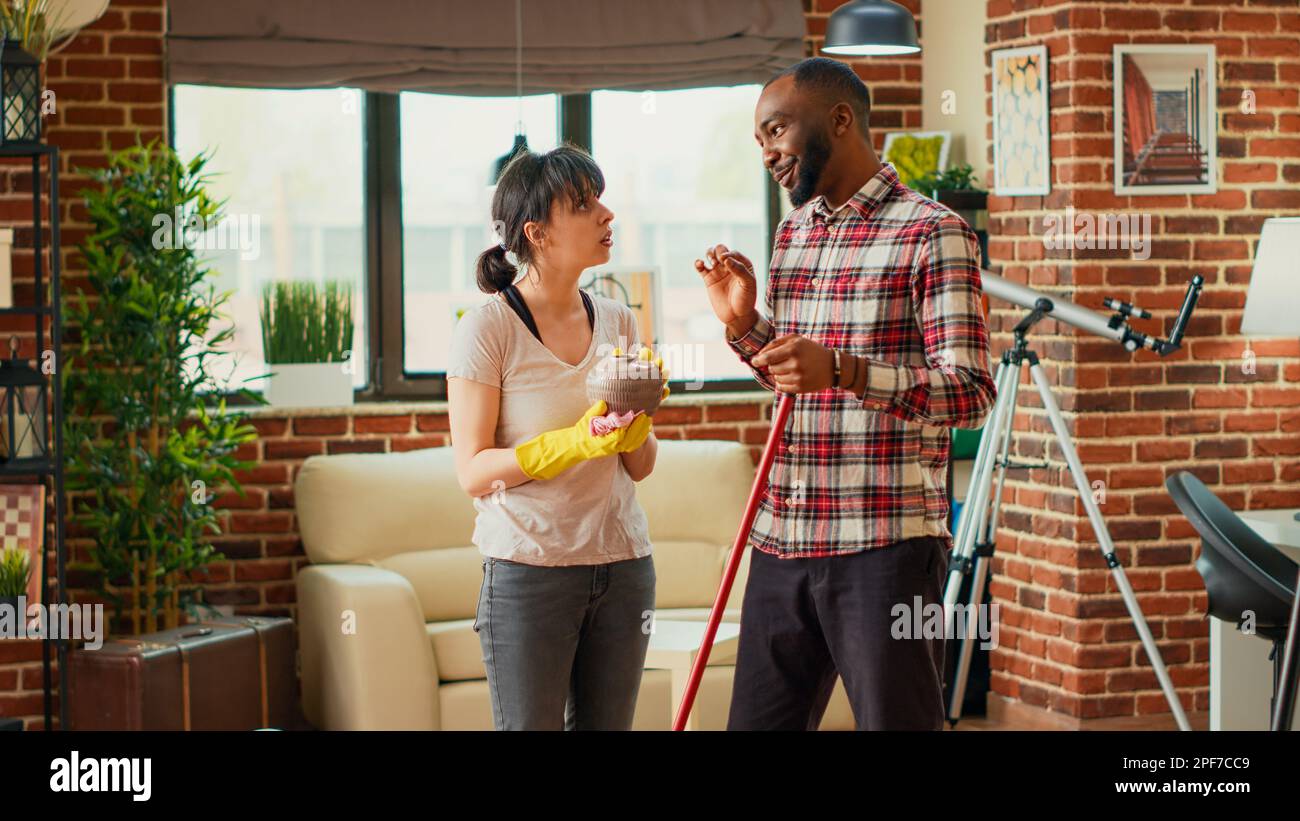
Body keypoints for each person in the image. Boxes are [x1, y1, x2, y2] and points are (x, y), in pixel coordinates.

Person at [696, 57, 997, 730]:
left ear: (838, 119)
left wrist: (846, 371)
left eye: (776, 130)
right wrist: (746, 326)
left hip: (883, 545)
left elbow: (973, 392)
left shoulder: (933, 231)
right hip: (784, 539)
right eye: (759, 140)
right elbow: (797, 379)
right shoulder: (792, 235)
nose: (769, 153)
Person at [447, 144, 663, 730]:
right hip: (528, 571)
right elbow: (471, 469)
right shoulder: (488, 328)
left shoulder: (618, 318)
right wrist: (575, 441)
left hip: (623, 566)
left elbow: (639, 466)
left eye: (602, 199)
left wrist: (632, 423)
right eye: (585, 203)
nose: (607, 214)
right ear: (537, 232)